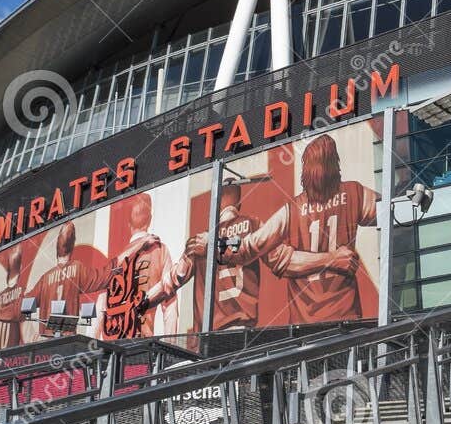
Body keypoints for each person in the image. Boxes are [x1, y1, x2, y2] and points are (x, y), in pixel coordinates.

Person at [228, 133, 378, 324]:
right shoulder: (355, 193)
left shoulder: (291, 210)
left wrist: (220, 243)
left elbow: (249, 245)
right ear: (335, 164)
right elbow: (392, 210)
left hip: (303, 325)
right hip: (346, 318)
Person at [142, 183, 262, 330]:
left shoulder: (199, 241)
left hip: (208, 336)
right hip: (243, 329)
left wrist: (146, 299)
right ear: (239, 205)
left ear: (216, 206)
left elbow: (173, 279)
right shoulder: (253, 225)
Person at [102, 191, 178, 339]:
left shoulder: (116, 260)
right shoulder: (160, 250)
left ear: (128, 223)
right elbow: (170, 303)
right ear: (150, 219)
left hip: (114, 345)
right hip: (144, 343)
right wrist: (171, 346)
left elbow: (103, 307)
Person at [27, 221, 108, 337]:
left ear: (56, 244)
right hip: (66, 340)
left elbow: (25, 302)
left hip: (47, 339)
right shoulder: (78, 268)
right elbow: (103, 277)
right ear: (73, 243)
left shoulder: (45, 278)